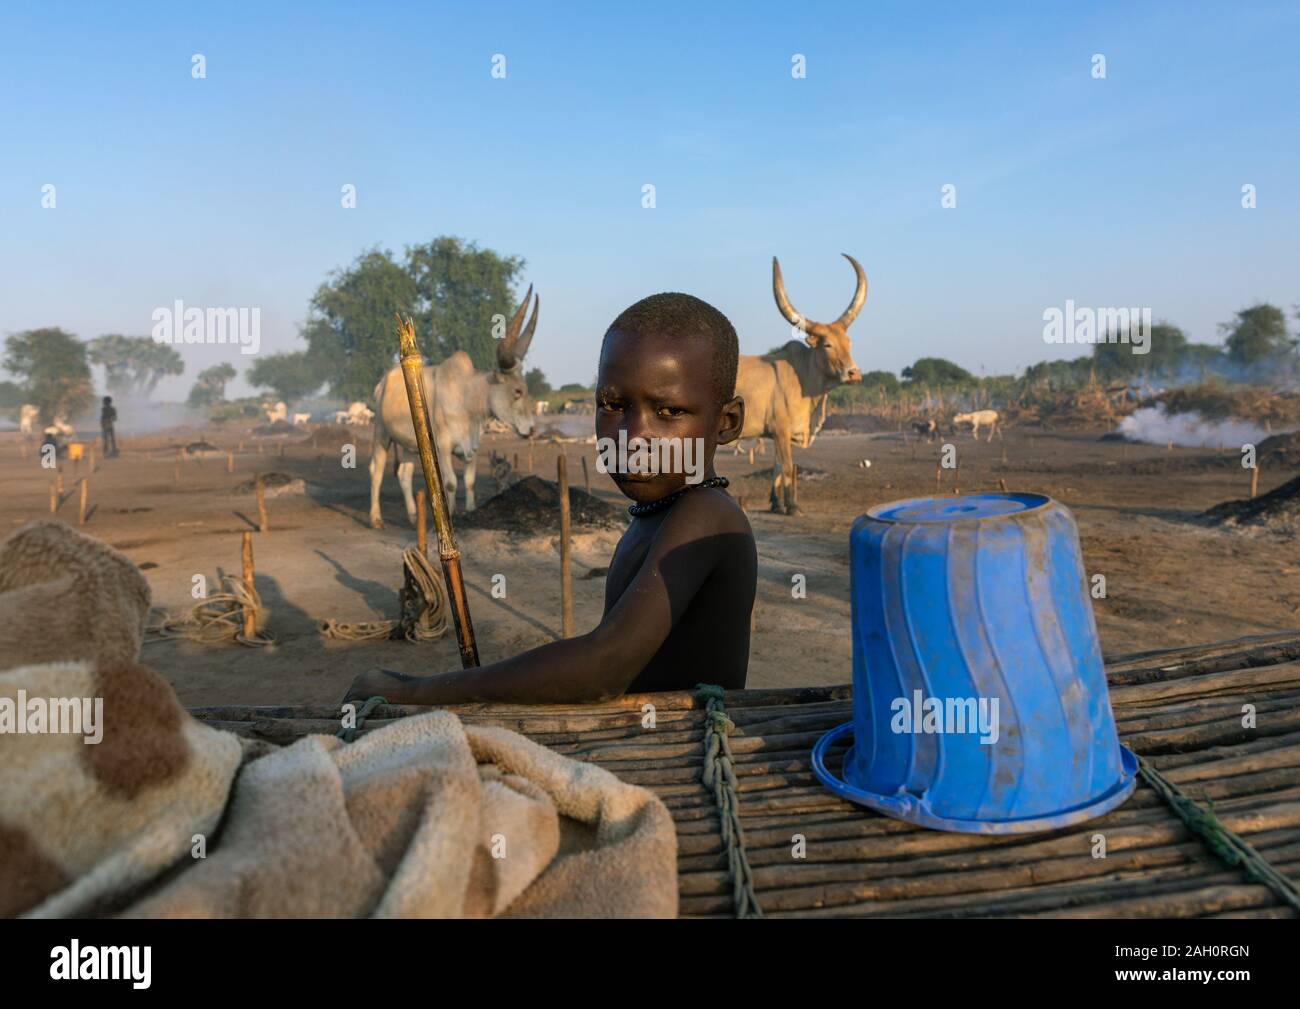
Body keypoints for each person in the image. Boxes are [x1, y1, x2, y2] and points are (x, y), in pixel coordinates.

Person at [345, 293, 757, 705]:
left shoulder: (706, 516)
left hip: (683, 758)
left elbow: (606, 666)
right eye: (613, 405)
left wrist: (413, 691)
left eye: (667, 411)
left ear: (727, 422)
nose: (632, 437)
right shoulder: (657, 515)